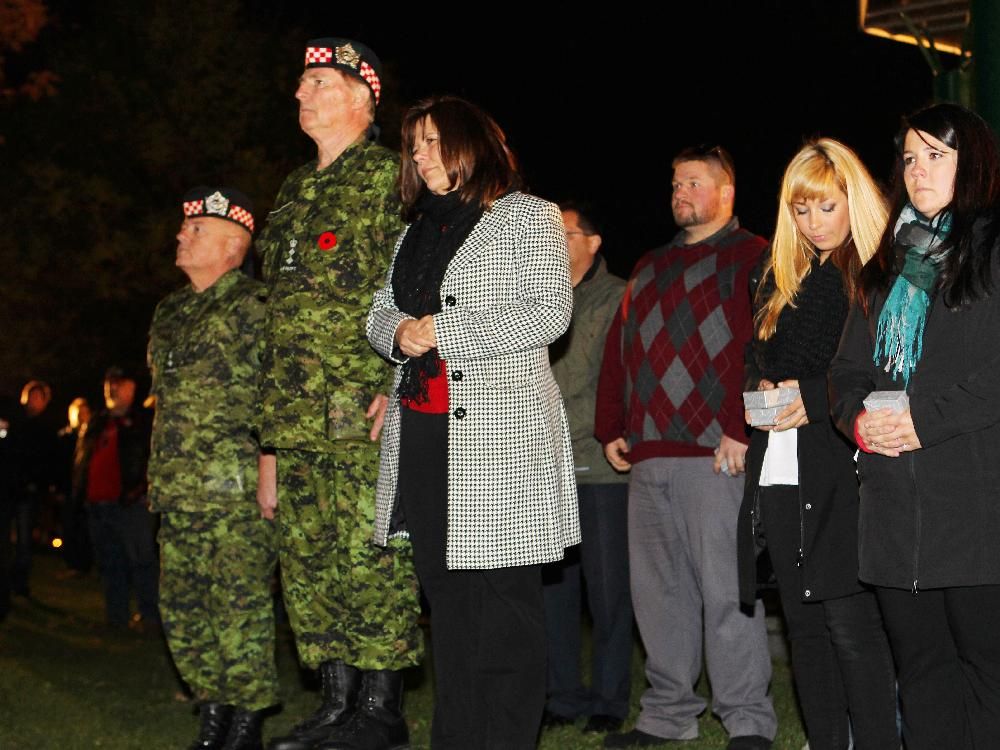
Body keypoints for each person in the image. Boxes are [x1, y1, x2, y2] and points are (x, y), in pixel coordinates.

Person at [366, 95, 579, 750]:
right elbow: (377, 312)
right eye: (415, 145)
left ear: (470, 145)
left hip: (502, 446)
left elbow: (549, 313)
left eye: (432, 141)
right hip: (426, 440)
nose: (420, 155)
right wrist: (396, 331)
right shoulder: (414, 234)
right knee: (451, 615)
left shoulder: (528, 218)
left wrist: (445, 329)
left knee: (506, 617)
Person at [255, 37, 423, 750]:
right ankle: (335, 701)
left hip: (359, 403)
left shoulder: (394, 180)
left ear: (363, 97)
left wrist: (400, 379)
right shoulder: (294, 191)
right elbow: (277, 317)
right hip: (292, 416)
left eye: (319, 83)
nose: (302, 95)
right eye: (300, 85)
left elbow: (421, 285)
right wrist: (266, 443)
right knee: (309, 554)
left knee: (371, 549)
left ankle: (380, 709)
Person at [829, 103, 1000, 750]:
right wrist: (859, 424)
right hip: (898, 514)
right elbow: (846, 372)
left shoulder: (992, 251)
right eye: (910, 156)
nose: (919, 169)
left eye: (937, 154)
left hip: (976, 505)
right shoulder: (887, 263)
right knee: (922, 674)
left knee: (988, 675)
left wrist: (923, 421)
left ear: (973, 161)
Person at [595, 145, 776, 750]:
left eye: (693, 182)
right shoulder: (649, 264)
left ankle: (747, 719)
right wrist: (612, 422)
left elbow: (762, 346)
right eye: (675, 183)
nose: (680, 193)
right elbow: (622, 347)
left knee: (728, 592)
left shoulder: (753, 256)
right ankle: (667, 716)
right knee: (660, 594)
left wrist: (739, 424)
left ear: (726, 192)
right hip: (650, 450)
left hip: (715, 452)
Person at [737, 139, 897, 750]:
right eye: (801, 210)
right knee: (803, 626)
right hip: (779, 462)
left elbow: (880, 368)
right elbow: (754, 357)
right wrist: (764, 389)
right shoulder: (777, 273)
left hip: (843, 463)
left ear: (852, 200)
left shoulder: (876, 272)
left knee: (851, 625)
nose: (813, 222)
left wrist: (812, 390)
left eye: (826, 207)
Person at [148, 187, 278, 749]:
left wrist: (270, 465)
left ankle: (244, 722)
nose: (181, 235)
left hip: (235, 490)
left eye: (195, 230)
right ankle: (212, 709)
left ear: (232, 245)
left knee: (239, 608)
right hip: (176, 490)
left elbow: (276, 396)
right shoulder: (169, 310)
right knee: (181, 608)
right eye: (184, 229)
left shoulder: (254, 307)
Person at [541, 201, 633, 734]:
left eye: (564, 232)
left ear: (592, 242)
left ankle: (608, 697)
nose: (552, 239)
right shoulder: (538, 299)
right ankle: (561, 694)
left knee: (607, 590)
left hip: (600, 466)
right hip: (545, 466)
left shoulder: (618, 296)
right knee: (554, 589)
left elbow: (615, 380)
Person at [73, 366, 158, 631]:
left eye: (117, 384)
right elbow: (82, 461)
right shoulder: (97, 422)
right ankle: (117, 617)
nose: (111, 388)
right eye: (108, 383)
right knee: (110, 564)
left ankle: (149, 614)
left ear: (131, 388)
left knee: (141, 560)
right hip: (99, 505)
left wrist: (140, 489)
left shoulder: (143, 423)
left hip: (130, 504)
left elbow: (151, 459)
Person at [58, 397, 93, 575]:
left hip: (85, 490)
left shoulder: (91, 438)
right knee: (70, 525)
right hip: (71, 489)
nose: (83, 417)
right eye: (80, 413)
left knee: (83, 527)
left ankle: (83, 563)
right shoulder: (67, 437)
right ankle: (73, 562)